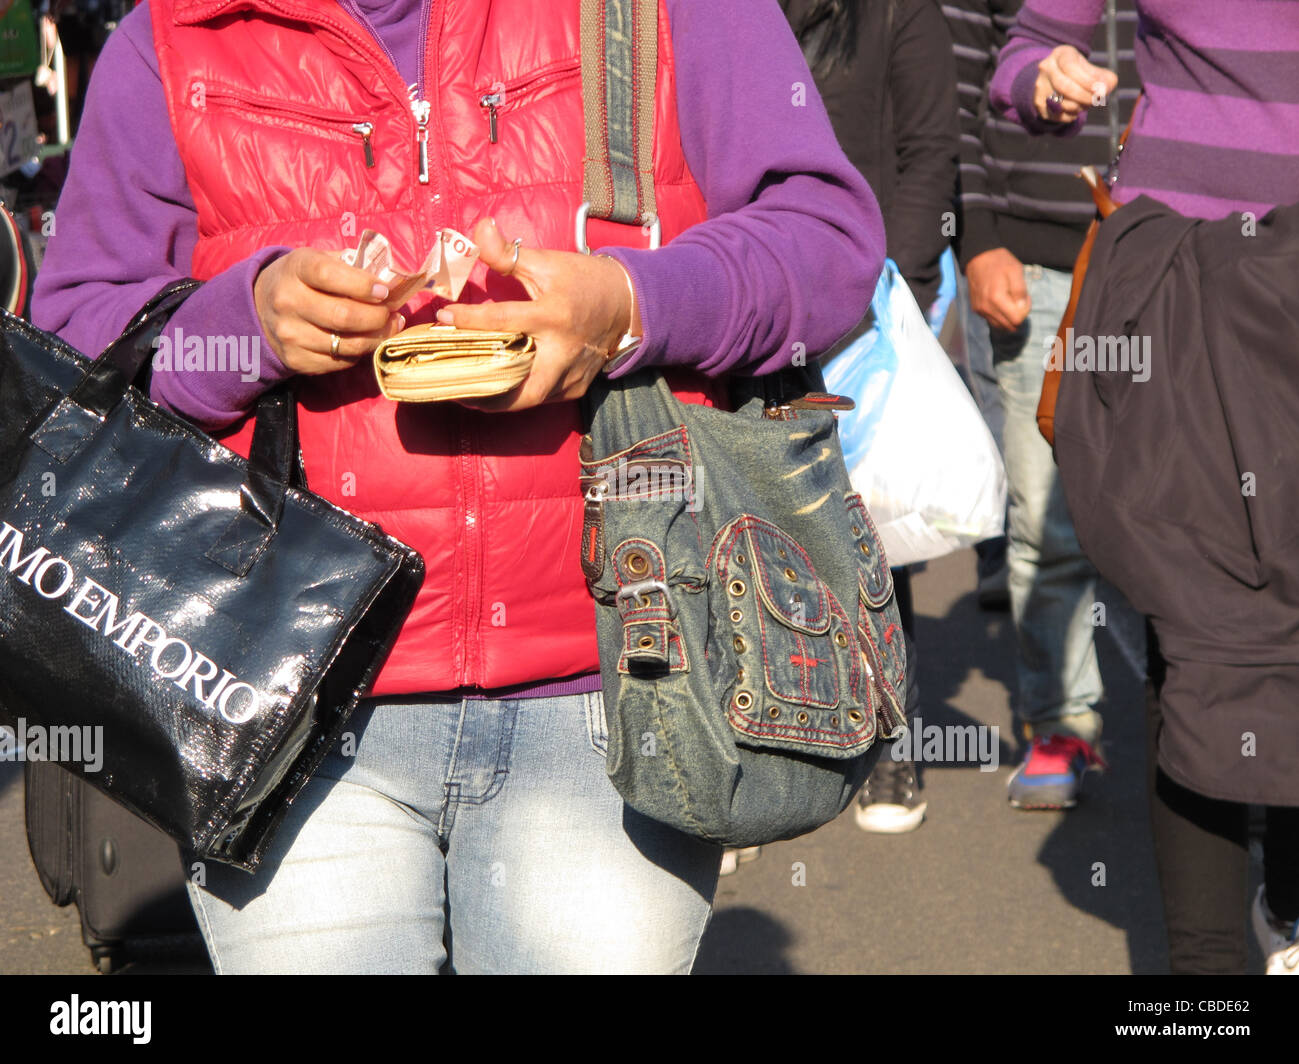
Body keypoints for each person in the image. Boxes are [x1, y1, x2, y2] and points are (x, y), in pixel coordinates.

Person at [31, 0, 883, 974]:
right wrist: (242, 322)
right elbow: (78, 339)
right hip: (283, 703)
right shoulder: (177, 33)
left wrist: (634, 304)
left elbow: (828, 242)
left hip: (618, 680)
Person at [991, 0, 1299, 974]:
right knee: (1198, 628)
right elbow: (1025, 48)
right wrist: (1041, 76)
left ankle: (1288, 905)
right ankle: (1204, 983)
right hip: (1183, 294)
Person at [945, 0, 1137, 812]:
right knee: (1045, 523)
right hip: (1037, 258)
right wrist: (978, 237)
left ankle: (1213, 736)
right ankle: (1061, 724)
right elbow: (955, 90)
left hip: (1187, 259)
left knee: (1197, 514)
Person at [780, 0, 959, 836]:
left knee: (873, 533)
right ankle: (769, 741)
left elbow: (929, 153)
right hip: (750, 294)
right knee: (756, 522)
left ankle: (894, 738)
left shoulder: (898, 11)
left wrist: (907, 289)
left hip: (868, 304)